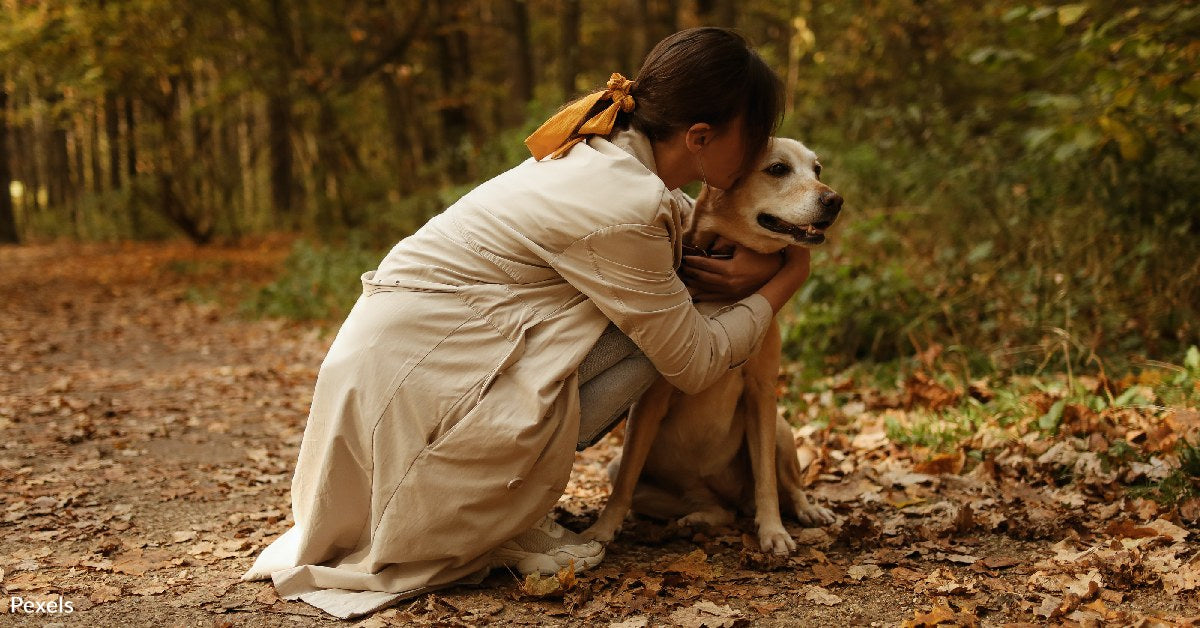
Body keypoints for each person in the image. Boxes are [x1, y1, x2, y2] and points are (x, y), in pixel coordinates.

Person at [242, 26, 812, 618]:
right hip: (422, 391)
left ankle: (500, 493)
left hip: (395, 373)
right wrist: (787, 276)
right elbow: (691, 363)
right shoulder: (626, 202)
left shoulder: (606, 155)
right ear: (699, 137)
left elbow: (684, 234)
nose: (755, 157)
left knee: (659, 309)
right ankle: (489, 508)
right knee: (671, 331)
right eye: (753, 142)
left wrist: (751, 256)